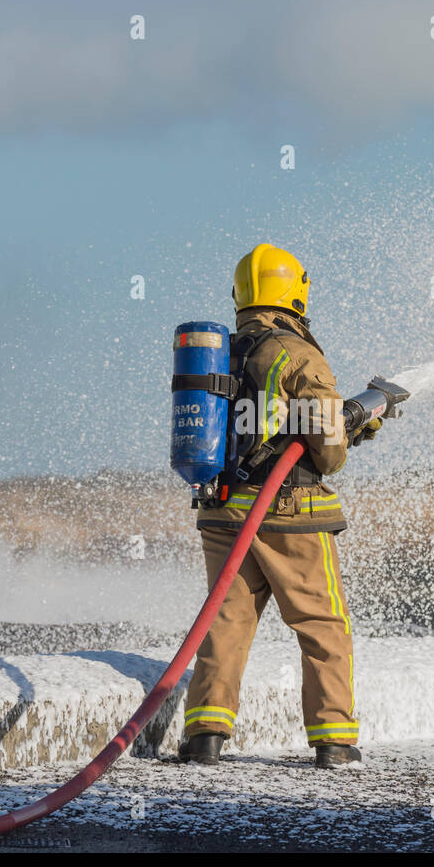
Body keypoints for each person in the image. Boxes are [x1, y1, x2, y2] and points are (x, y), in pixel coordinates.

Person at [180, 243, 377, 769]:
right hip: (290, 513)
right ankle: (335, 741)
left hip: (224, 511)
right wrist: (355, 423)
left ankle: (205, 736)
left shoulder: (221, 352)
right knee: (322, 623)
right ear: (296, 292)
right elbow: (328, 453)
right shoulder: (298, 353)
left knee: (226, 621)